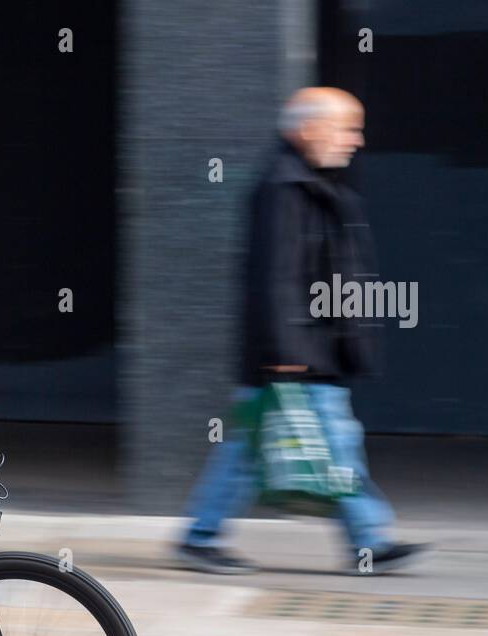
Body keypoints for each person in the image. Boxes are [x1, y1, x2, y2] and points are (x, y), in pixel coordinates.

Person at [177, 88, 427, 576]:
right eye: (345, 128)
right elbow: (276, 276)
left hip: (309, 348)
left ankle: (200, 535)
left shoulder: (313, 183)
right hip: (296, 352)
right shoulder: (285, 188)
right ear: (308, 128)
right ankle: (368, 540)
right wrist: (286, 353)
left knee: (252, 449)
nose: (356, 139)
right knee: (329, 442)